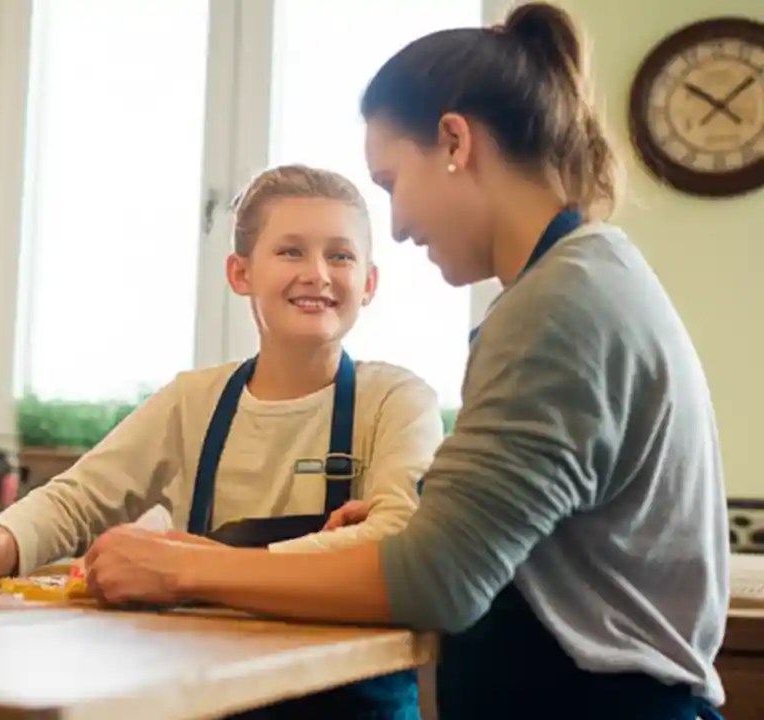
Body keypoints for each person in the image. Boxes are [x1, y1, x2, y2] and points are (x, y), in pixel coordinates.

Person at [80, 4, 729, 720]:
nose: (397, 224)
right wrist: (431, 516)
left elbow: (439, 582)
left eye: (390, 182)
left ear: (455, 141)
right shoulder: (589, 275)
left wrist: (183, 567)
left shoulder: (558, 306)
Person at [0, 164, 444, 715]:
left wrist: (198, 563)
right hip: (212, 697)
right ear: (240, 272)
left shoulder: (398, 401)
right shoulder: (193, 400)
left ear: (369, 282)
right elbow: (78, 498)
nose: (318, 273)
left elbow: (398, 539)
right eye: (291, 251)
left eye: (341, 255)